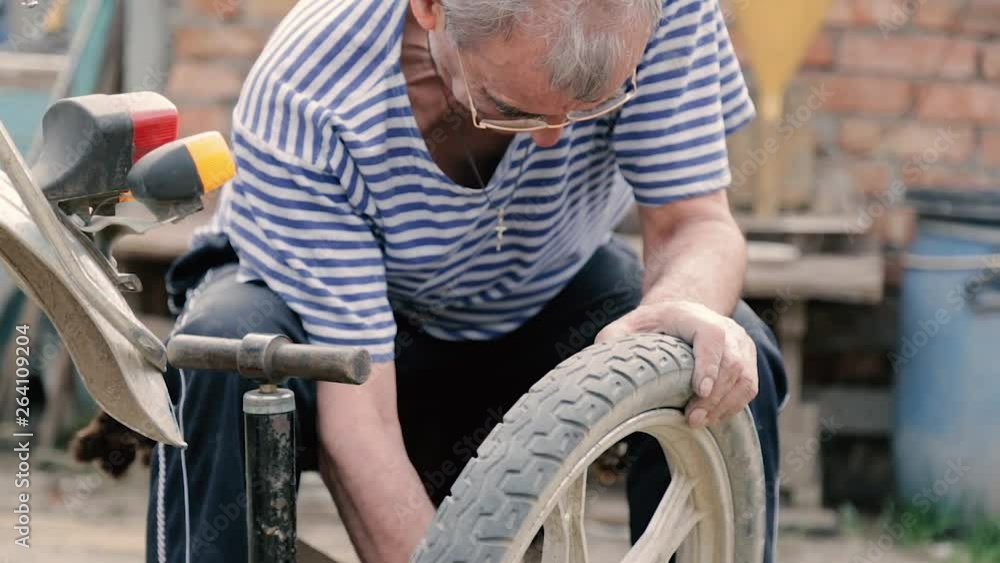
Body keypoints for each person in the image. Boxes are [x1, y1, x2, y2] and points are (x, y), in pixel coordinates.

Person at [147, 0, 788, 561]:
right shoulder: (310, 97)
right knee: (224, 354)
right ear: (431, 8)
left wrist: (676, 310)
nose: (552, 140)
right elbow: (360, 419)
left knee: (720, 354)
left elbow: (693, 226)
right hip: (344, 336)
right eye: (510, 109)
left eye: (592, 106)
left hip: (539, 288)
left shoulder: (663, 9)